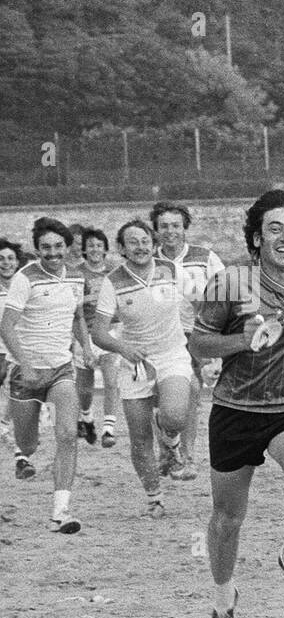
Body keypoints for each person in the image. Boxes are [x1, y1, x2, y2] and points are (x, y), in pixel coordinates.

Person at [188, 190, 284, 618]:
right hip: (236, 410)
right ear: (256, 239)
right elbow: (198, 344)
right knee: (228, 519)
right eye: (275, 229)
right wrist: (241, 341)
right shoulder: (231, 283)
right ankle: (223, 601)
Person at [90, 221, 193, 518]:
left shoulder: (171, 270)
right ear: (122, 248)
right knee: (139, 438)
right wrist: (123, 348)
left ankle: (171, 442)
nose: (140, 247)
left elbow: (202, 301)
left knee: (174, 415)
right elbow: (99, 333)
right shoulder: (113, 281)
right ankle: (154, 498)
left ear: (154, 241)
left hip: (172, 354)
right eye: (132, 242)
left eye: (145, 240)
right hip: (135, 362)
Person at [0, 217, 94, 532]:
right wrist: (24, 364)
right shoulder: (25, 278)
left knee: (67, 435)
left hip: (60, 369)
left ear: (67, 247)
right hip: (25, 373)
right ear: (37, 249)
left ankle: (60, 512)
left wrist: (87, 347)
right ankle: (22, 453)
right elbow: (6, 325)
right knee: (28, 445)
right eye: (45, 248)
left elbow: (78, 316)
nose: (52, 253)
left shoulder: (77, 278)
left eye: (57, 246)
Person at [152, 200, 224, 481]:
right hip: (160, 338)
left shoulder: (205, 258)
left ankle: (188, 456)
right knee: (161, 402)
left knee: (191, 394)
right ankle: (167, 451)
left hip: (196, 335)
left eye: (176, 226)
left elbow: (223, 296)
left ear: (185, 229)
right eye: (164, 226)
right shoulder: (148, 261)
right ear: (156, 231)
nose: (171, 231)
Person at [72, 229, 122, 449]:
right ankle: (87, 417)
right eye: (90, 245)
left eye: (99, 245)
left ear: (105, 249)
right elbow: (75, 310)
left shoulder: (115, 274)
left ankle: (109, 429)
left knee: (112, 381)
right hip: (86, 334)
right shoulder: (75, 274)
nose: (95, 249)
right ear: (84, 249)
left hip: (110, 332)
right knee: (84, 388)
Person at [0, 237, 22, 440]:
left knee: (16, 388)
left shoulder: (24, 285)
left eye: (10, 258)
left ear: (16, 261)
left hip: (16, 346)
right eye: (1, 258)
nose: (6, 263)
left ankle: (4, 424)